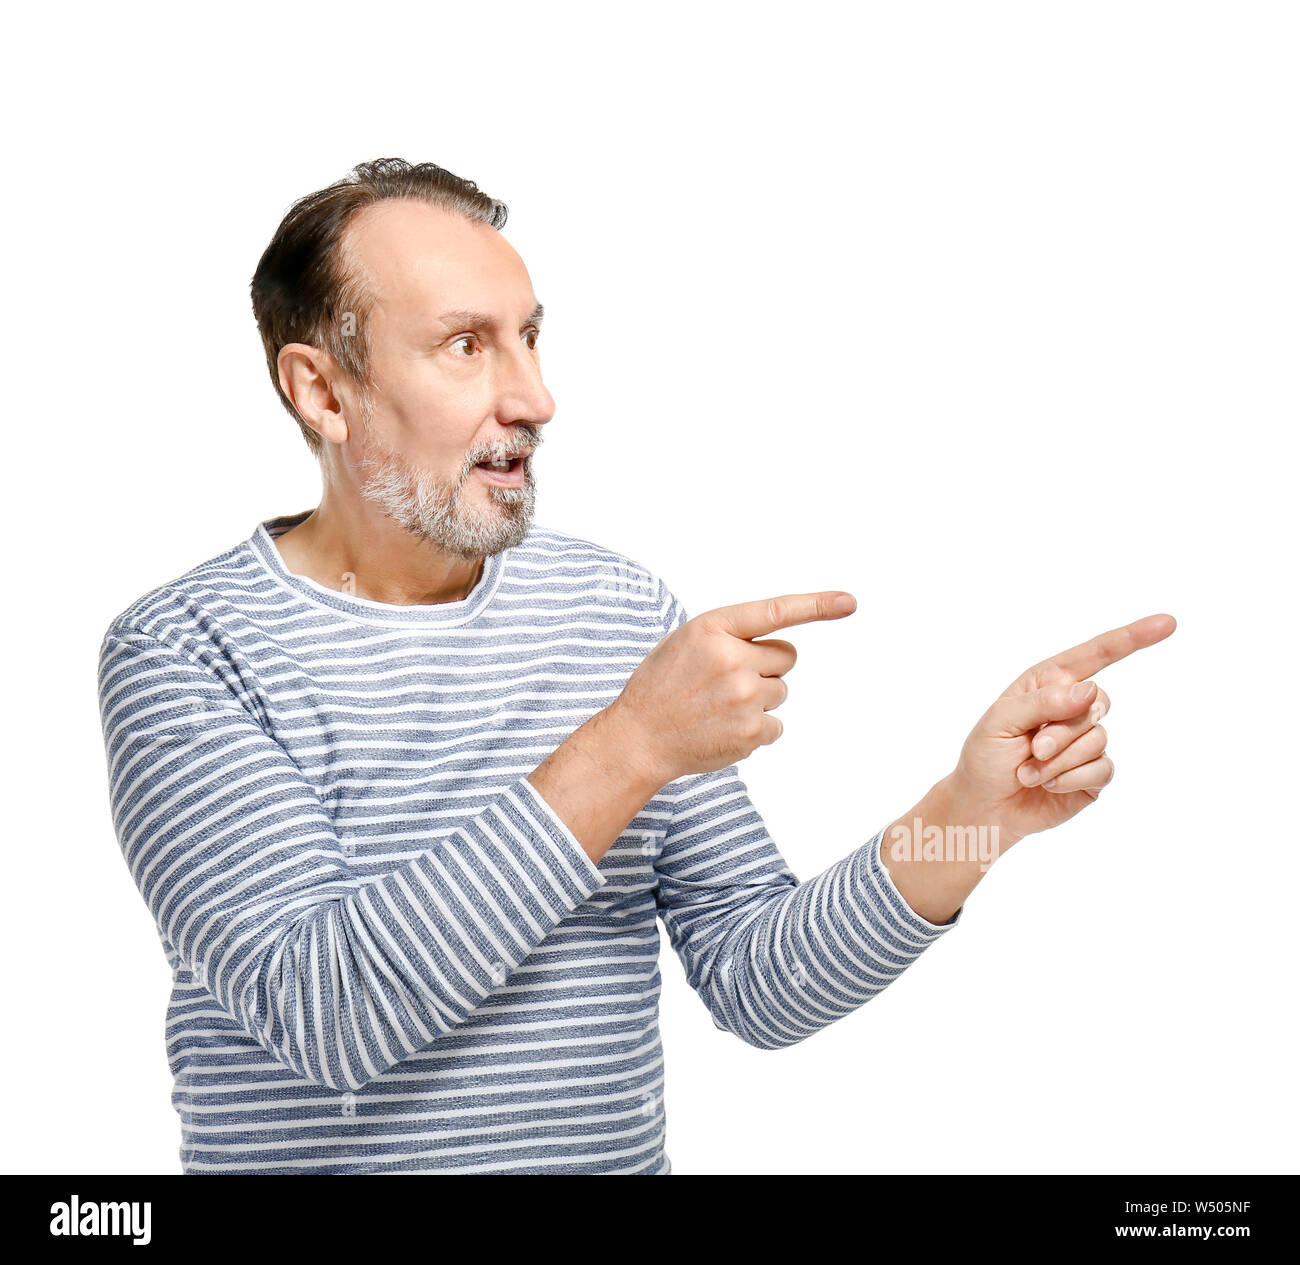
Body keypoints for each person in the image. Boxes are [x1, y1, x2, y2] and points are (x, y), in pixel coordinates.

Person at [96, 158, 1175, 1174]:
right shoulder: (188, 648)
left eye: (528, 337)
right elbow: (325, 1010)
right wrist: (630, 745)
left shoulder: (610, 608)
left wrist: (971, 814)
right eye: (466, 345)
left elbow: (763, 978)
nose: (533, 398)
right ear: (323, 393)